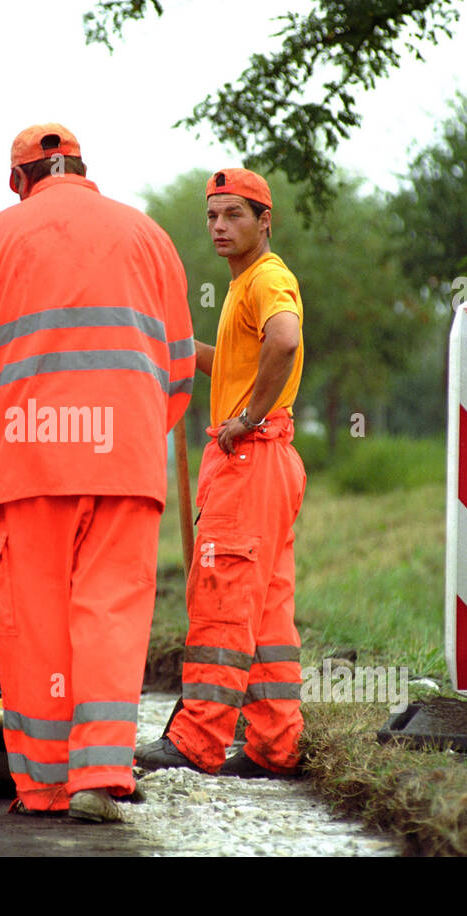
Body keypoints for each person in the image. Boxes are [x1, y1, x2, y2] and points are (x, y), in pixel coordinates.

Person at [0, 124, 195, 822]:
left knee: (36, 622)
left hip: (33, 461)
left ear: (20, 180)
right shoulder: (149, 237)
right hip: (128, 463)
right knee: (113, 611)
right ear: (83, 167)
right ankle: (103, 772)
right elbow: (178, 369)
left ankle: (45, 784)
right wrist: (135, 430)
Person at [135, 168, 307, 778]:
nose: (219, 226)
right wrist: (175, 346)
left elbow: (284, 341)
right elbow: (239, 361)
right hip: (271, 463)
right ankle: (274, 744)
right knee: (267, 612)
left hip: (251, 458)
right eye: (212, 216)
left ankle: (196, 741)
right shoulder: (243, 286)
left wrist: (246, 419)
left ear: (265, 221)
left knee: (222, 598)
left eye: (233, 215)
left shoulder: (265, 278)